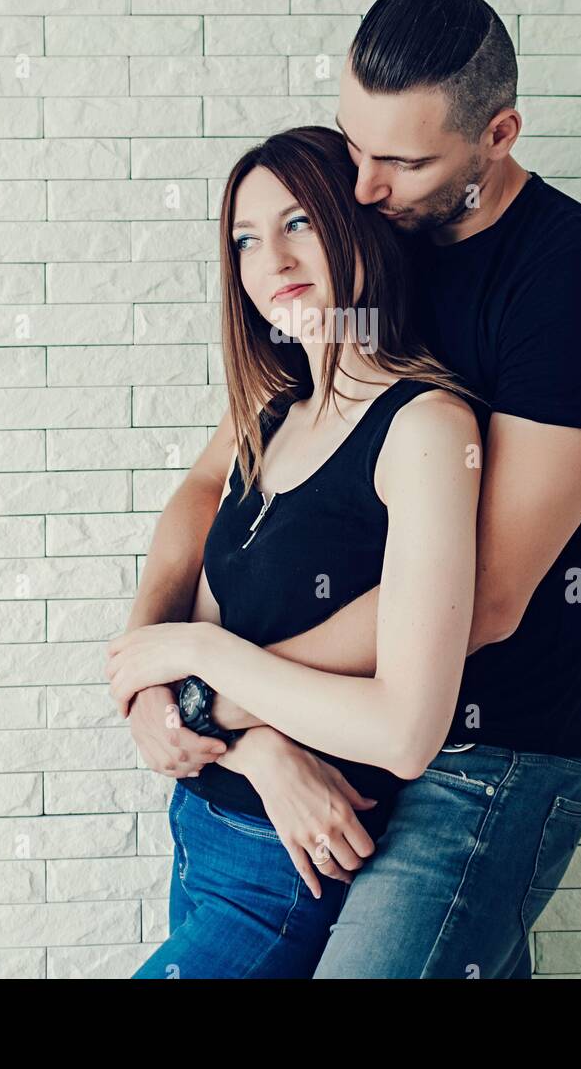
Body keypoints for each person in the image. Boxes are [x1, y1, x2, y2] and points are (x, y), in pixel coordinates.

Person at [117, 0, 581, 979]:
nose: (360, 187)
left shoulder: (569, 282)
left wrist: (220, 692)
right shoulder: (377, 235)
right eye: (354, 145)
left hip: (482, 758)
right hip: (351, 731)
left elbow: (486, 600)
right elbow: (213, 475)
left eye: (400, 162)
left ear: (498, 135)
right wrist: (150, 660)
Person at [108, 125, 484, 978]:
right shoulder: (272, 415)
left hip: (285, 868)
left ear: (356, 225)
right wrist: (243, 742)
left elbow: (402, 731)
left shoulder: (424, 425)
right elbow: (201, 636)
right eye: (244, 239)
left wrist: (197, 654)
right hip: (203, 823)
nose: (270, 256)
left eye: (298, 222)